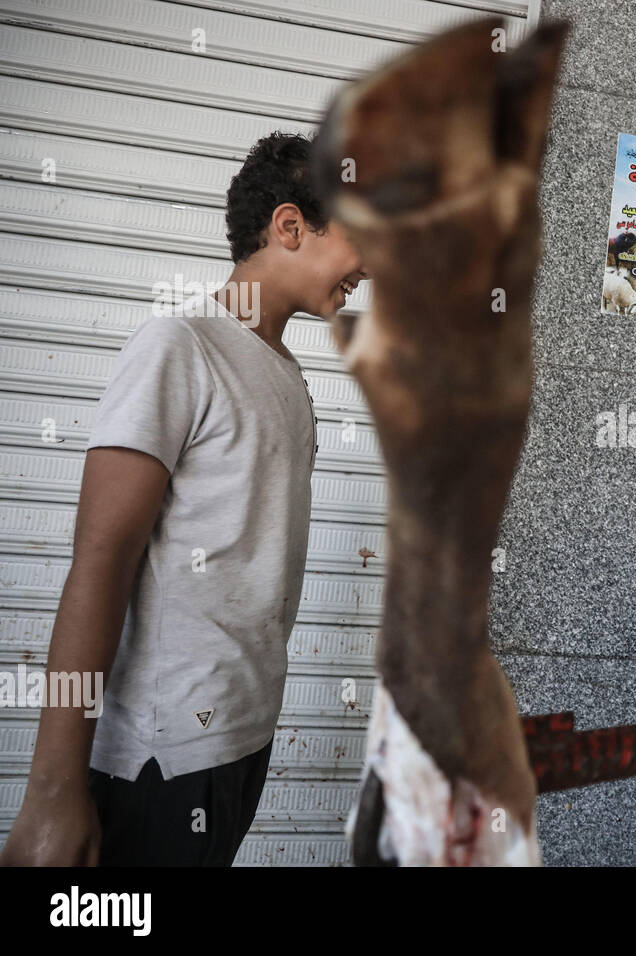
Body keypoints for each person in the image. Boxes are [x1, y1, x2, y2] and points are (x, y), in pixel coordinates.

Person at [0, 132, 367, 866]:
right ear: (290, 227)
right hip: (161, 759)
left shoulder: (287, 377)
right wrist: (52, 790)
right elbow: (98, 564)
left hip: (241, 735)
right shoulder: (181, 345)